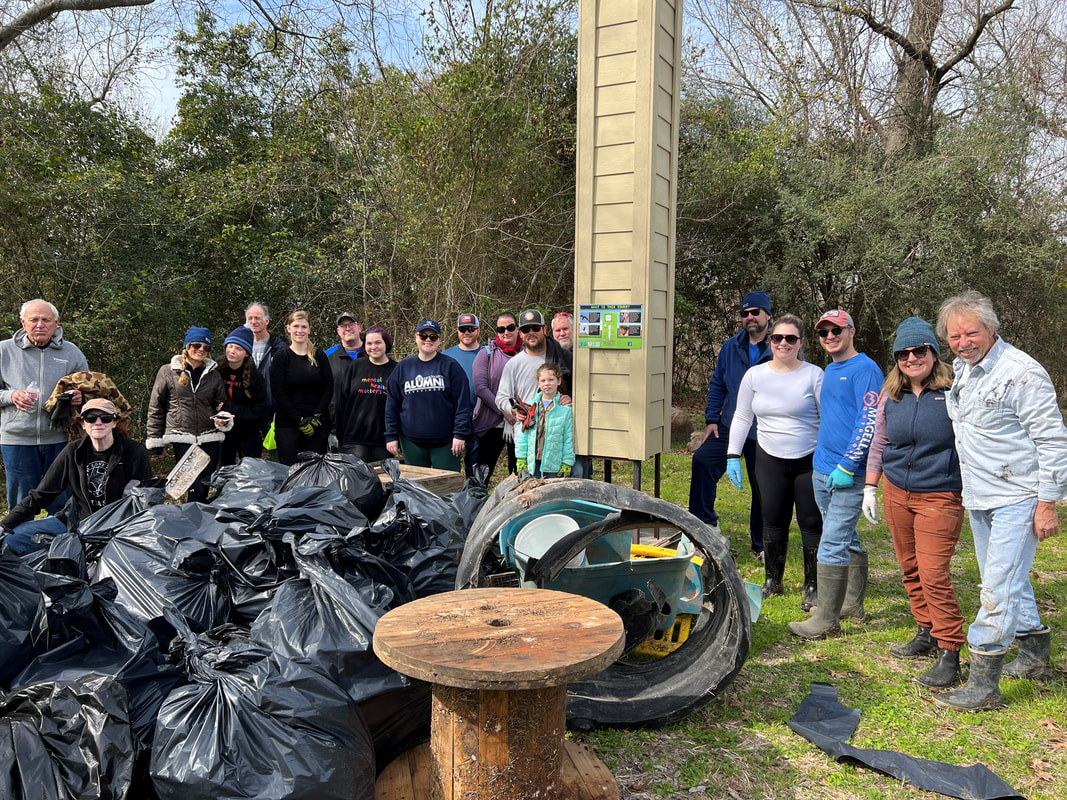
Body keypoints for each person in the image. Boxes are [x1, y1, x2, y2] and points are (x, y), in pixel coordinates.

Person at [932, 291, 1067, 711]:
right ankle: (1033, 657)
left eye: (971, 332)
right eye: (954, 336)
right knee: (1009, 577)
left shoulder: (1022, 373)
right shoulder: (964, 370)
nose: (963, 341)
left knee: (996, 587)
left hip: (1018, 497)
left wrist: (1048, 502)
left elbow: (1052, 440)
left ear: (991, 329)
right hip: (981, 495)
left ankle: (984, 683)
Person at [863, 318, 965, 688]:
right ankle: (925, 630)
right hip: (896, 492)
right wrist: (870, 488)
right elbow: (879, 443)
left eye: (918, 350)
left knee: (934, 573)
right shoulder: (892, 396)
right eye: (903, 353)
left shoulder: (955, 390)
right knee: (909, 568)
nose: (911, 358)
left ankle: (950, 649)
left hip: (939, 493)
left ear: (933, 354)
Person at [789, 308, 883, 640]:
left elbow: (870, 421)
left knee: (831, 543)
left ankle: (826, 620)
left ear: (851, 332)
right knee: (844, 537)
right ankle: (851, 606)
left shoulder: (866, 370)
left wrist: (848, 464)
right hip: (823, 469)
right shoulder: (831, 369)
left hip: (849, 473)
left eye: (836, 330)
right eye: (824, 332)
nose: (830, 337)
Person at [727, 315, 823, 609]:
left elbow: (828, 418)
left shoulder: (814, 375)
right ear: (771, 341)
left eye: (790, 338)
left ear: (801, 343)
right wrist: (733, 454)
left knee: (810, 520)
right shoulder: (755, 376)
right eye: (778, 338)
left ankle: (813, 586)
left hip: (808, 457)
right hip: (768, 457)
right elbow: (743, 416)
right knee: (773, 518)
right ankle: (773, 581)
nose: (783, 343)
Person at [0, 397, 153, 555]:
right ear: (83, 424)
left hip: (118, 527)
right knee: (13, 539)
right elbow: (41, 495)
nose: (98, 422)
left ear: (114, 422)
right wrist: (4, 524)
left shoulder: (134, 451)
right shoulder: (73, 451)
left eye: (105, 418)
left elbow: (147, 497)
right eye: (91, 418)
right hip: (77, 523)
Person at [689, 291, 772, 554]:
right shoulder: (730, 347)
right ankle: (704, 527)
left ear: (768, 315)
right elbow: (717, 383)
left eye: (755, 312)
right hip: (730, 425)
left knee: (764, 488)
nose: (750, 317)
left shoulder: (780, 347)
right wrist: (712, 419)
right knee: (702, 461)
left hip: (765, 431)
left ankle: (761, 545)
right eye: (745, 314)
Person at [0, 299, 89, 510]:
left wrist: (80, 398)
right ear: (23, 322)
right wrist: (11, 396)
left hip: (59, 438)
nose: (40, 324)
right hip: (16, 439)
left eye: (46, 320)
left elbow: (89, 390)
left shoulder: (71, 352)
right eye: (34, 319)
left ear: (56, 322)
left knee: (62, 501)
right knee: (21, 502)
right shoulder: (4, 351)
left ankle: (62, 542)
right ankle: (17, 542)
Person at [146, 327, 231, 502]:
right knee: (191, 483)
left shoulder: (214, 375)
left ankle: (199, 521)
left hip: (210, 437)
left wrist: (223, 419)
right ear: (187, 346)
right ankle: (190, 521)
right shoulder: (167, 371)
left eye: (206, 348)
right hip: (181, 436)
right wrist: (155, 438)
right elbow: (156, 406)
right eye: (196, 345)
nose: (201, 350)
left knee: (205, 484)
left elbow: (220, 404)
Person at [386, 320, 472, 471]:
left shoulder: (451, 367)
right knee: (417, 491)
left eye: (433, 337)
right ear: (416, 337)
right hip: (411, 442)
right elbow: (392, 405)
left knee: (447, 490)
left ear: (439, 340)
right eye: (423, 335)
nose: (428, 340)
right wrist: (391, 436)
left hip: (446, 442)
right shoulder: (403, 368)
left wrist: (460, 434)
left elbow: (462, 404)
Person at [495, 309, 574, 473]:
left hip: (556, 440)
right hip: (528, 439)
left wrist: (573, 399)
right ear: (520, 333)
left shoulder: (564, 358)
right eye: (525, 329)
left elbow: (583, 389)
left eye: (535, 328)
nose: (531, 333)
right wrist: (514, 409)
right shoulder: (514, 364)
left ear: (544, 330)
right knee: (526, 490)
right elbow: (501, 397)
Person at [270, 310, 333, 466]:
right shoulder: (281, 357)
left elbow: (328, 387)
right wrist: (299, 420)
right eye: (296, 326)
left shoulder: (319, 356)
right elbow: (278, 391)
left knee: (315, 472)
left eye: (304, 327)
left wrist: (317, 416)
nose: (300, 330)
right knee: (290, 472)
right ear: (288, 328)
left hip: (316, 426)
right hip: (288, 426)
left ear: (309, 330)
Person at [335, 325, 396, 463]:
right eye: (369, 343)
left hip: (383, 440)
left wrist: (395, 437)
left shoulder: (396, 370)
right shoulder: (355, 367)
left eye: (378, 342)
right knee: (358, 481)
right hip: (355, 439)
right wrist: (341, 435)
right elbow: (341, 402)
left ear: (386, 343)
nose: (373, 347)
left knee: (383, 482)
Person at [472, 311, 521, 480]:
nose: (506, 332)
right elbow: (481, 388)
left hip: (520, 422)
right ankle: (477, 505)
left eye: (510, 327)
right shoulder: (486, 353)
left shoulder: (527, 354)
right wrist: (505, 412)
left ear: (518, 329)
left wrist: (515, 415)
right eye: (501, 329)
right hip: (491, 422)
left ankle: (517, 505)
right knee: (483, 474)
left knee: (518, 474)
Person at [217, 326, 268, 466]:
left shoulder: (255, 377)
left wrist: (231, 409)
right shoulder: (216, 369)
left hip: (248, 432)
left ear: (246, 353)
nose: (232, 351)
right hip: (222, 432)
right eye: (230, 346)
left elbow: (258, 409)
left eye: (238, 348)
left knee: (250, 473)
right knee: (223, 473)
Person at [515, 362, 574, 478]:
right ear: (538, 383)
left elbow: (568, 438)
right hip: (532, 463)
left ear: (559, 381)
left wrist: (567, 462)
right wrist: (521, 458)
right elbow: (523, 434)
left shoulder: (565, 409)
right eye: (543, 380)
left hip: (554, 464)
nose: (547, 383)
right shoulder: (530, 406)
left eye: (551, 379)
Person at [443, 313, 482, 474]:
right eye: (463, 329)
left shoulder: (488, 353)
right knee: (449, 468)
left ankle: (475, 496)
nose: (467, 333)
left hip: (480, 419)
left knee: (475, 466)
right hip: (453, 419)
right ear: (457, 331)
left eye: (471, 329)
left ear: (478, 330)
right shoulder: (445, 356)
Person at [245, 302, 287, 440]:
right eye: (250, 318)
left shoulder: (279, 348)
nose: (253, 322)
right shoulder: (240, 347)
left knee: (277, 456)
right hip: (249, 412)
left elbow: (287, 382)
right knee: (251, 457)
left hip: (273, 412)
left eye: (257, 318)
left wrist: (280, 410)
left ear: (267, 321)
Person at [326, 311, 364, 431]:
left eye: (351, 324)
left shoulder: (373, 352)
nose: (347, 328)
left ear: (359, 327)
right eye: (343, 326)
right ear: (338, 331)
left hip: (370, 428)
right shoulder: (327, 356)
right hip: (337, 428)